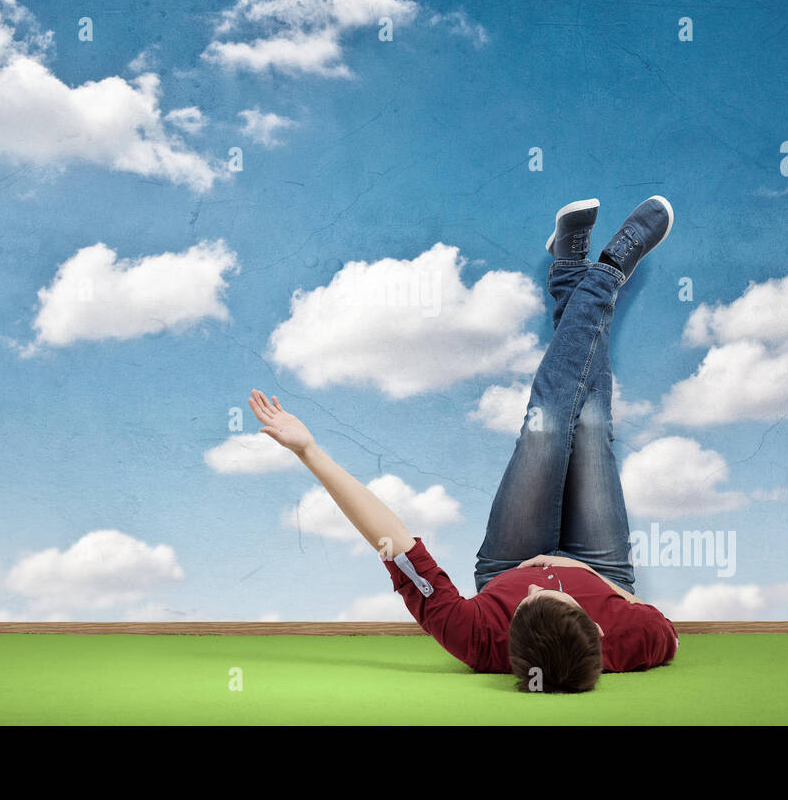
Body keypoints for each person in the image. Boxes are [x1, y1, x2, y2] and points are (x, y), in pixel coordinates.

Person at [248, 196, 679, 692]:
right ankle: (581, 275)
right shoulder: (629, 640)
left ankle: (596, 273)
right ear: (599, 633)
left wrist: (309, 451)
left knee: (546, 425)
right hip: (602, 569)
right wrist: (588, 577)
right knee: (591, 424)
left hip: (506, 561)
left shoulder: (476, 638)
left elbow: (394, 546)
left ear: (509, 635)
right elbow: (663, 627)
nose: (543, 580)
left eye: (532, 597)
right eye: (555, 594)